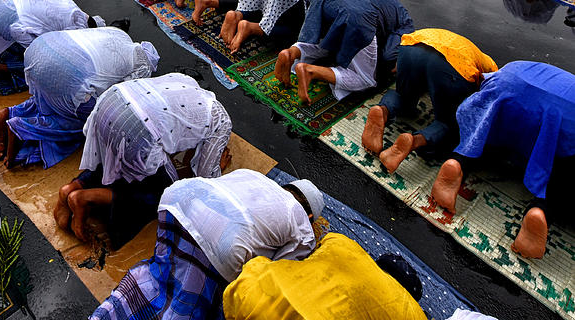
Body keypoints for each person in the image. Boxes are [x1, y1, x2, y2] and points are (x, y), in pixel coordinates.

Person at [90, 170, 322, 320]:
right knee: (193, 301)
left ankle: (114, 312)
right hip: (225, 246)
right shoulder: (302, 225)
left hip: (177, 201)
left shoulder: (256, 177)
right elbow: (277, 273)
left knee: (161, 272)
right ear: (310, 216)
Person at [57, 73, 232, 248]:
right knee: (160, 193)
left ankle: (73, 187)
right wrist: (218, 167)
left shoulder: (182, 81)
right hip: (139, 126)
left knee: (117, 159)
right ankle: (85, 198)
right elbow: (205, 177)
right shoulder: (221, 120)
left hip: (111, 103)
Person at [430, 62, 574, 259]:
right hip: (564, 115)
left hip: (509, 83)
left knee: (484, 129)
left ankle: (458, 162)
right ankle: (541, 209)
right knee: (565, 170)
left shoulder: (511, 66)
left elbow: (481, 98)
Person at [0, 27, 159, 169]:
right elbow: (120, 96)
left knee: (46, 99)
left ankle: (11, 112)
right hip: (68, 74)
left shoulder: (118, 34)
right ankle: (21, 128)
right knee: (80, 121)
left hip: (41, 52)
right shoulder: (142, 67)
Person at [362, 29, 497, 173]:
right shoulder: (492, 68)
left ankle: (382, 110)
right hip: (453, 65)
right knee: (447, 123)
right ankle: (414, 141)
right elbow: (488, 97)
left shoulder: (460, 42)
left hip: (413, 46)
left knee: (403, 96)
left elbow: (399, 67)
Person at [223, 233, 427, 319]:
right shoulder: (413, 312)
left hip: (257, 302)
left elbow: (326, 240)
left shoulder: (347, 246)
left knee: (260, 266)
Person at [275, 0, 414, 104]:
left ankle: (291, 53)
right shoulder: (406, 26)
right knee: (365, 79)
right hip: (359, 16)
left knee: (324, 42)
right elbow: (389, 57)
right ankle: (310, 71)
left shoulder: (392, 6)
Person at [0, 0, 104, 89]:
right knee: (40, 61)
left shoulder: (68, 3)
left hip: (1, 3)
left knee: (10, 42)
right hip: (13, 21)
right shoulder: (77, 28)